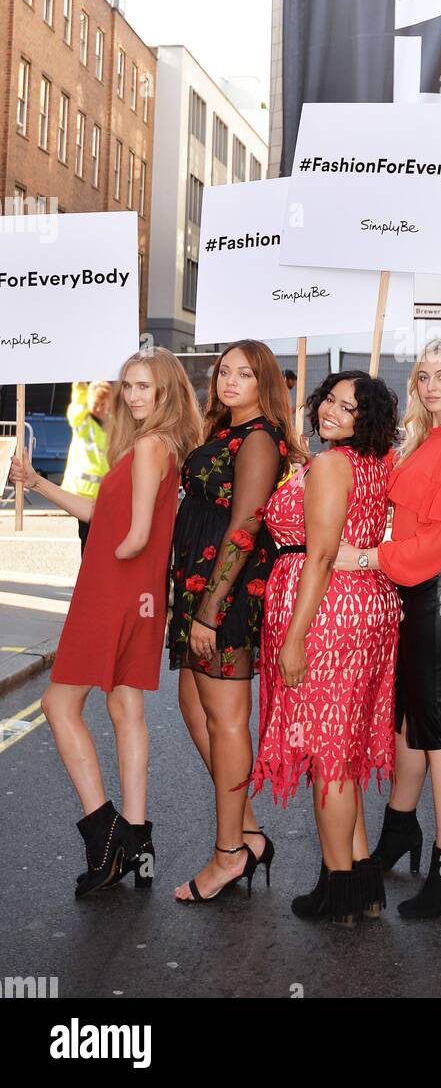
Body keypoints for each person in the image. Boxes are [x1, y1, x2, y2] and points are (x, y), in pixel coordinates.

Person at [10, 349, 201, 896]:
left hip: (113, 590)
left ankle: (104, 830)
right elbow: (102, 512)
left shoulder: (146, 446)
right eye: (128, 386)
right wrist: (38, 483)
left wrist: (110, 568)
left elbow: (136, 534)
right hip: (139, 594)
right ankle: (138, 838)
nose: (134, 395)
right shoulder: (162, 446)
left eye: (145, 386)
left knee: (57, 704)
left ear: (165, 391)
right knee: (125, 705)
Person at [335, 339, 441, 918]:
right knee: (413, 719)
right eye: (423, 376)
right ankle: (401, 830)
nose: (430, 386)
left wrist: (370, 558)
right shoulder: (431, 438)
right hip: (424, 588)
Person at [250, 373, 402, 927]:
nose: (334, 412)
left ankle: (338, 889)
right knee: (344, 748)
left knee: (327, 753)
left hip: (330, 613)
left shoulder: (334, 464)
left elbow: (319, 555)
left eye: (349, 408)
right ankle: (361, 882)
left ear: (368, 419)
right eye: (330, 401)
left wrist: (294, 638)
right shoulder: (367, 462)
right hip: (362, 608)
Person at [169, 340, 298, 903]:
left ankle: (227, 855)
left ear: (263, 381)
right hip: (196, 585)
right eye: (224, 371)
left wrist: (210, 609)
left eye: (244, 374)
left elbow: (245, 526)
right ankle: (246, 831)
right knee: (194, 707)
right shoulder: (222, 431)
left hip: (226, 595)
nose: (229, 381)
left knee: (226, 722)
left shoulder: (260, 438)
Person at [61, 380, 111, 556]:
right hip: (84, 493)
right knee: (89, 541)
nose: (102, 408)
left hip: (104, 494)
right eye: (98, 404)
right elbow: (77, 404)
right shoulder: (83, 422)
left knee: (102, 542)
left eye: (105, 404)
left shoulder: (112, 425)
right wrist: (79, 383)